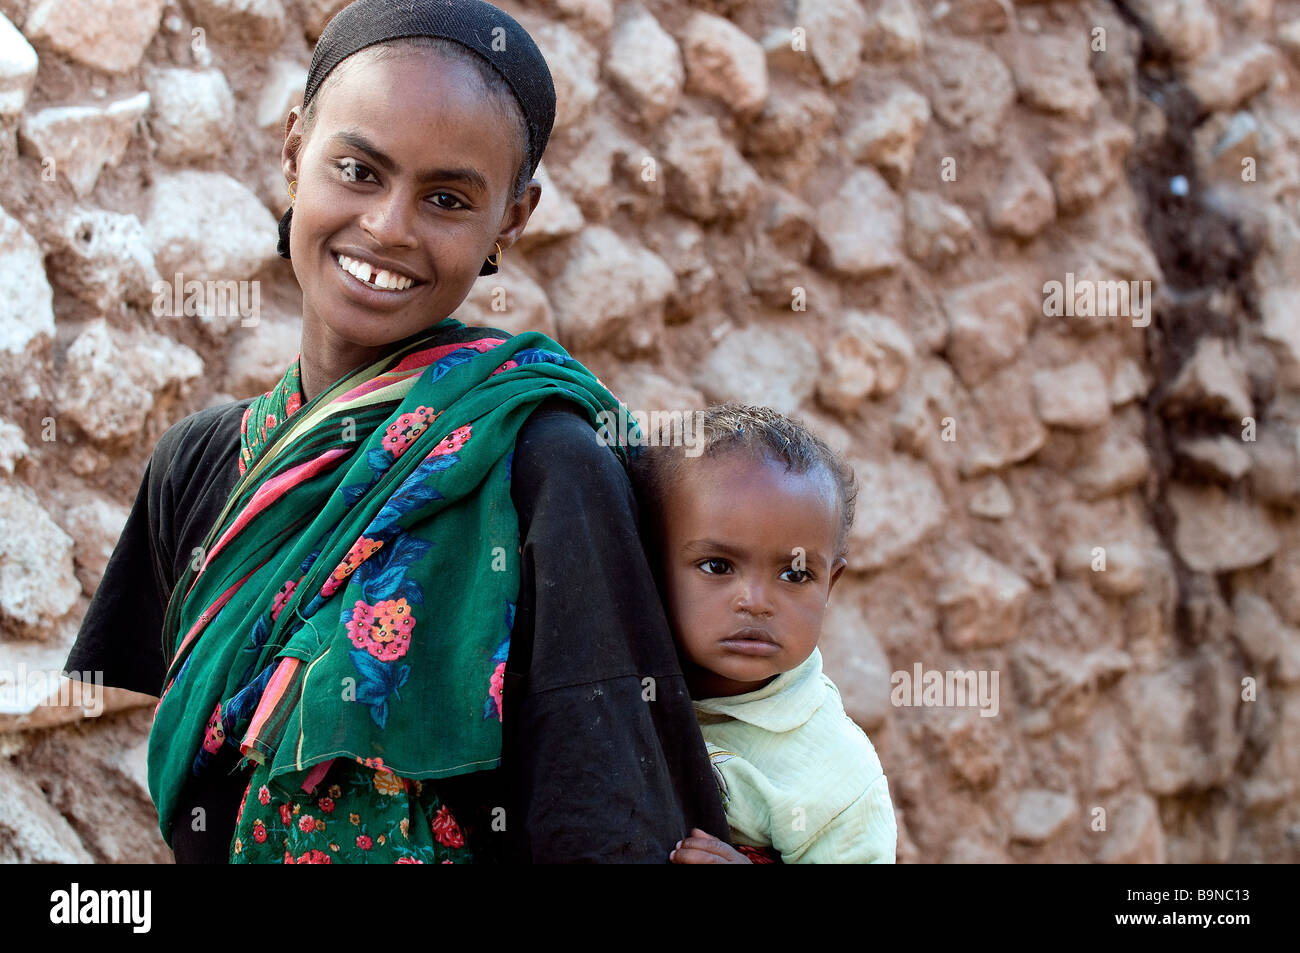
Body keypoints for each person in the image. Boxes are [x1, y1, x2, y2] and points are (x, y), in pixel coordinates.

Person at [63, 0, 728, 864]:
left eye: (447, 197)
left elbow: (604, 820)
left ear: (513, 219)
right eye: (359, 170)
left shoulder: (549, 461)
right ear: (295, 148)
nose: (389, 226)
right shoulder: (197, 463)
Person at [629, 404, 898, 863]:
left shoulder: (838, 778)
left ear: (830, 585)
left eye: (795, 576)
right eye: (717, 566)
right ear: (649, 563)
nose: (756, 601)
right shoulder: (611, 676)